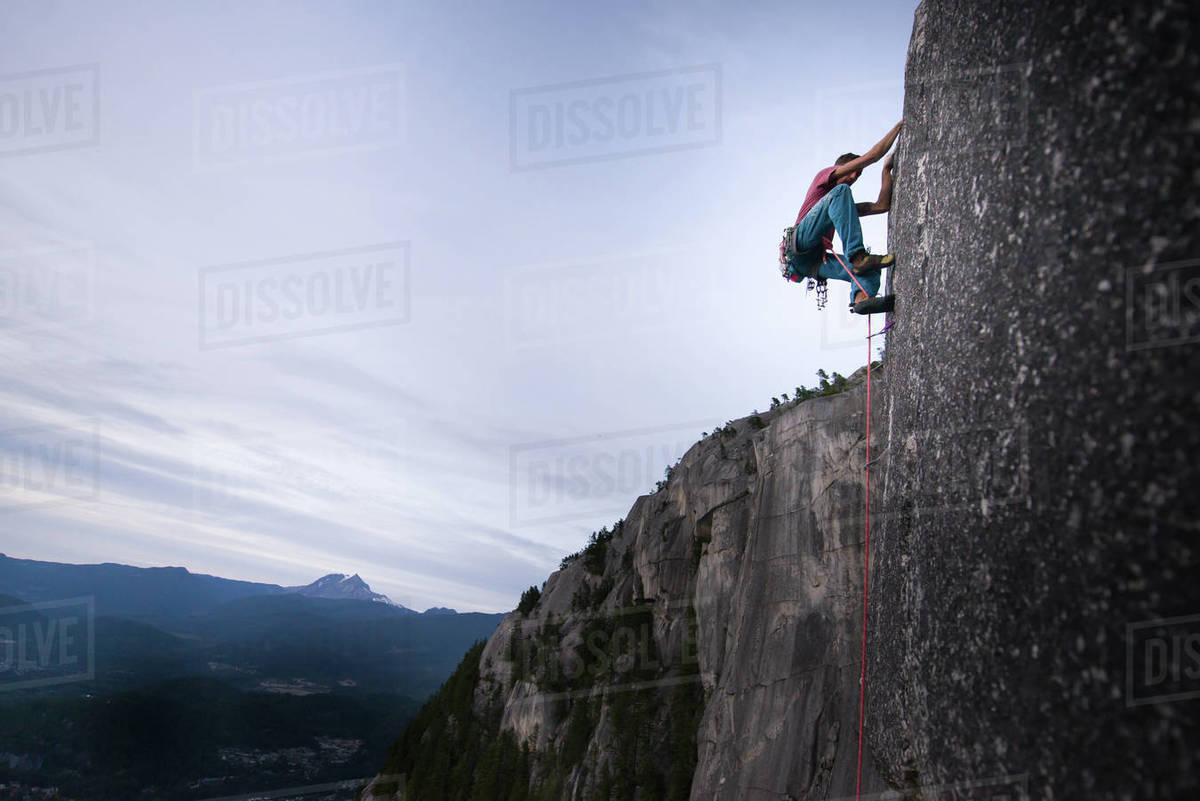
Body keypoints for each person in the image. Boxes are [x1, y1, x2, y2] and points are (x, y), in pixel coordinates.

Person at [781, 120, 902, 314]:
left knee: (870, 269)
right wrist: (899, 127)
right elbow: (873, 156)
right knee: (841, 191)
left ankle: (862, 299)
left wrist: (886, 171)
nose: (855, 176)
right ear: (840, 168)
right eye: (853, 170)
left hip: (813, 263)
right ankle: (858, 255)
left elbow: (881, 206)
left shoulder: (839, 205)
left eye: (859, 175)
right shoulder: (826, 179)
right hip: (799, 244)